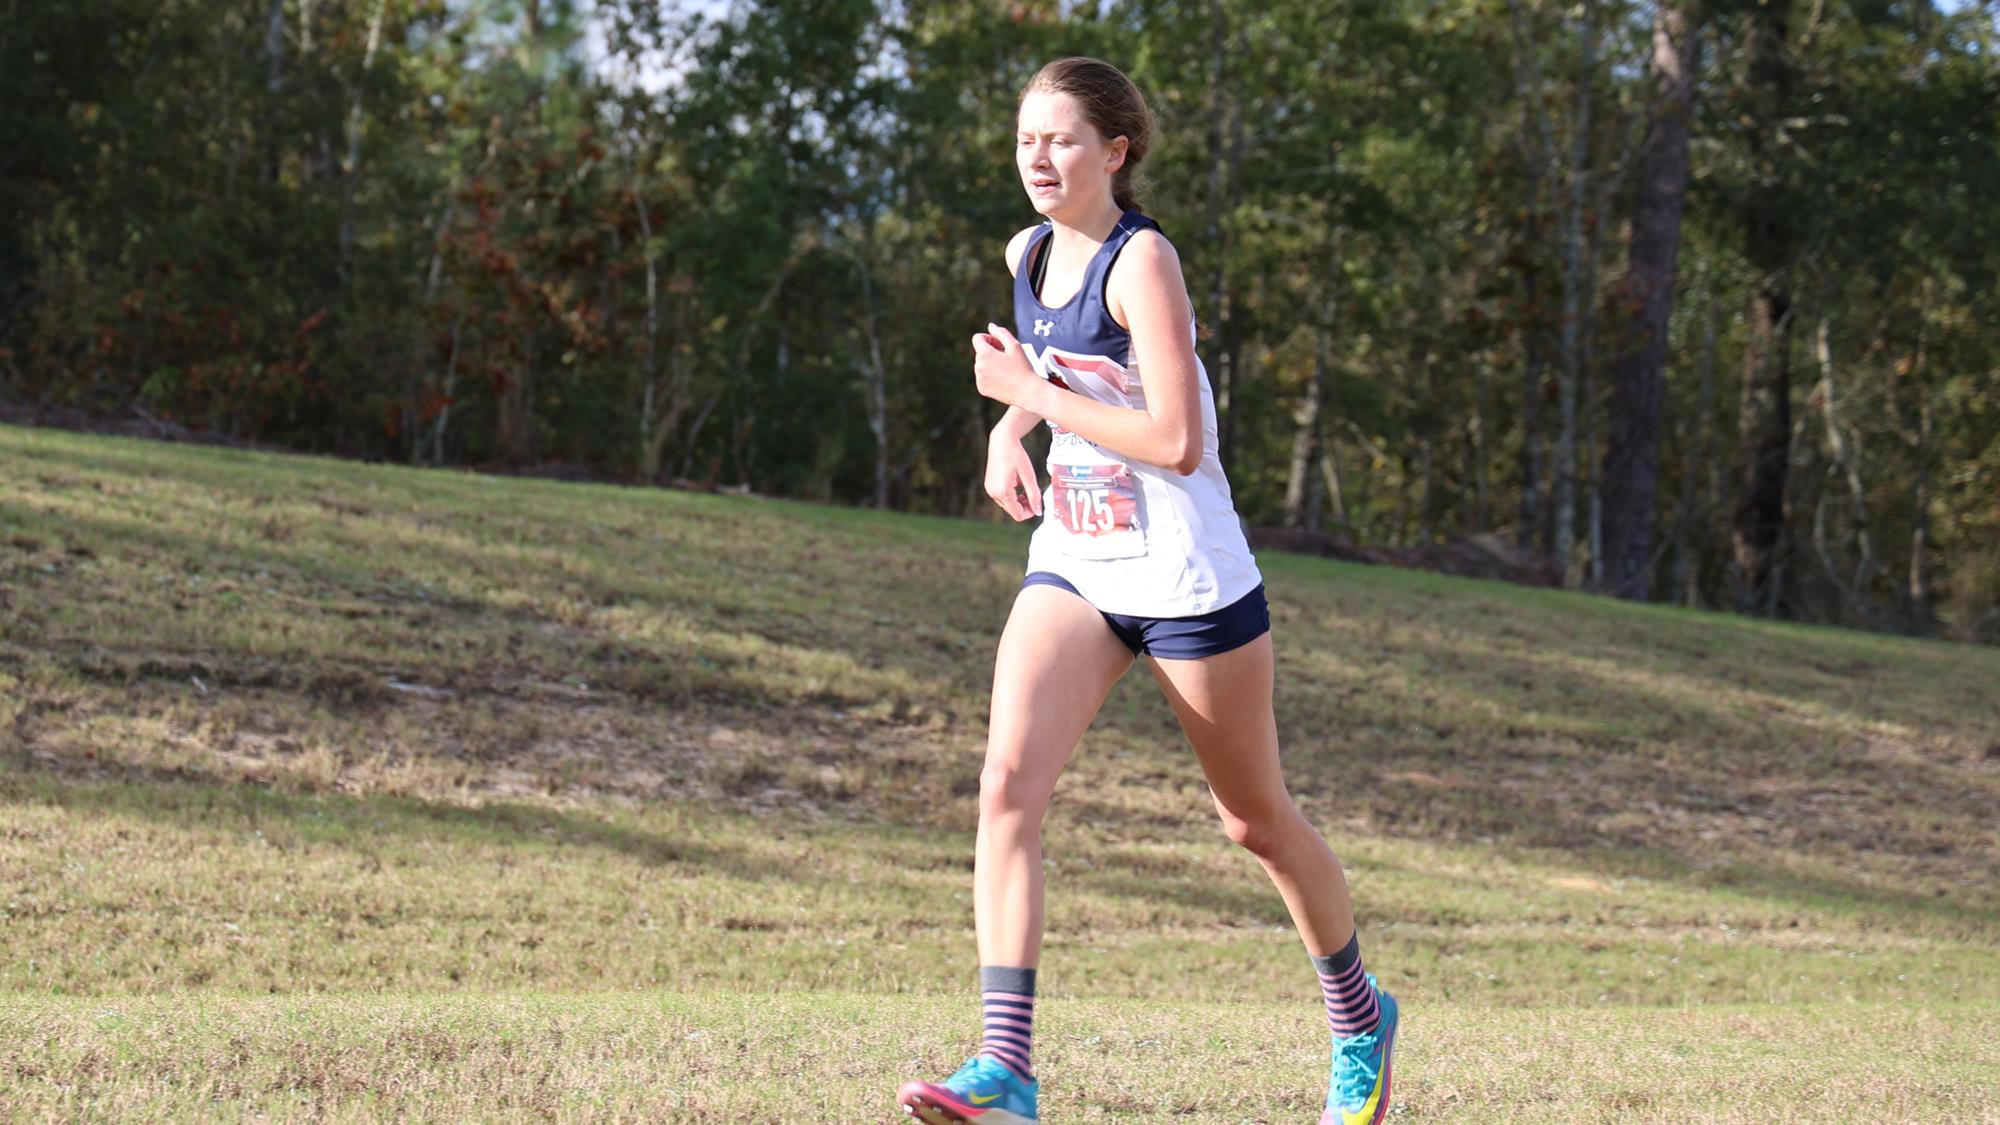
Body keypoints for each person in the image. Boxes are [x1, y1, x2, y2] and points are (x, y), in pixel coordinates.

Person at [895, 57, 1397, 1125]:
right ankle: (1006, 1070)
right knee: (1004, 787)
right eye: (1026, 138)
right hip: (1076, 564)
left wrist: (1029, 393)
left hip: (1186, 578)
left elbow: (1173, 438)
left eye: (1062, 139)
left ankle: (1358, 1022)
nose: (1038, 158)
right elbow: (1058, 366)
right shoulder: (1025, 252)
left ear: (1114, 152)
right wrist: (1008, 428)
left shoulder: (1144, 264)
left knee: (1252, 825)